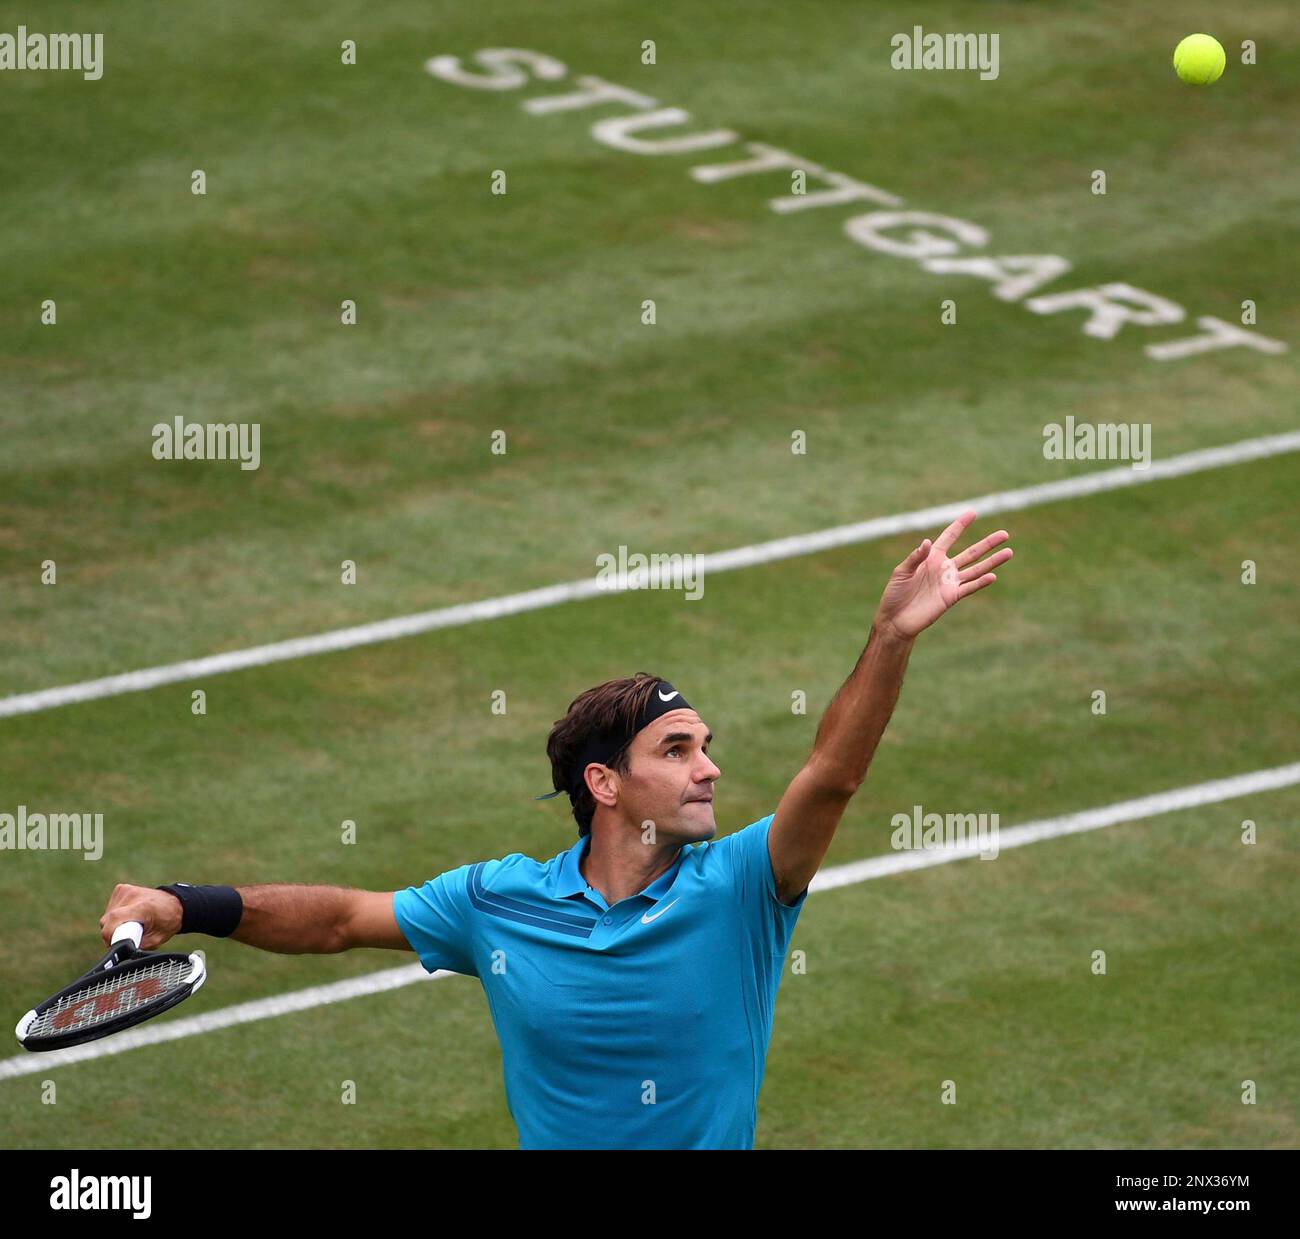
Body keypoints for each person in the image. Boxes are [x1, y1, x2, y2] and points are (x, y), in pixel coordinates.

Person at [100, 511, 1011, 1148]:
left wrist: (891, 637)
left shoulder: (745, 886)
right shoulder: (497, 901)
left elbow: (833, 775)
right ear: (605, 782)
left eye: (707, 746)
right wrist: (187, 903)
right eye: (679, 749)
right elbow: (339, 917)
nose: (710, 768)